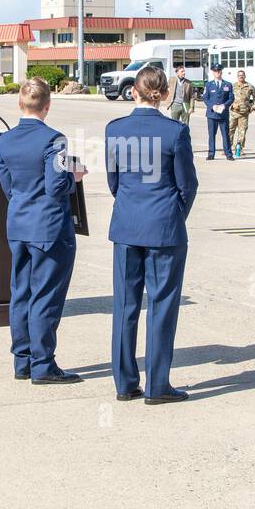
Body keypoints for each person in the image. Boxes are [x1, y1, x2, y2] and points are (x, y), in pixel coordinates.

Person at [104, 65, 199, 403]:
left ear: (134, 91)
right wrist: (174, 216)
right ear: (163, 94)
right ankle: (158, 385)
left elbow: (113, 182)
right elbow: (188, 185)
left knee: (125, 305)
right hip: (163, 228)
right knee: (161, 305)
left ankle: (125, 383)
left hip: (127, 225)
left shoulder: (115, 130)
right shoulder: (175, 132)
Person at [0, 78, 85, 385]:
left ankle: (22, 360)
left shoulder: (5, 140)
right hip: (48, 226)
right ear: (47, 106)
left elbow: (7, 184)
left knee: (20, 293)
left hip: (18, 223)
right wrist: (75, 175)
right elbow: (57, 184)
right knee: (45, 296)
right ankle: (43, 363)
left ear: (20, 104)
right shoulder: (54, 139)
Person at [202, 63, 234, 160]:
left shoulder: (227, 84)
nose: (217, 73)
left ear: (221, 72)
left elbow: (231, 98)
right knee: (211, 135)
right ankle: (211, 154)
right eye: (215, 71)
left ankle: (228, 154)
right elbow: (205, 98)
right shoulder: (208, 84)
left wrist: (224, 105)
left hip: (223, 114)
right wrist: (212, 106)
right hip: (212, 114)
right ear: (213, 72)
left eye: (219, 71)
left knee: (225, 134)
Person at [229, 68, 255, 158]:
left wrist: (253, 107)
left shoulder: (249, 86)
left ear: (245, 76)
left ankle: (239, 149)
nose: (241, 77)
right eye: (239, 75)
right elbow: (227, 98)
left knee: (242, 132)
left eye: (242, 75)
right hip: (233, 113)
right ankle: (228, 148)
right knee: (230, 130)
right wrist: (231, 105)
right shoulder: (232, 86)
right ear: (237, 77)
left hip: (244, 113)